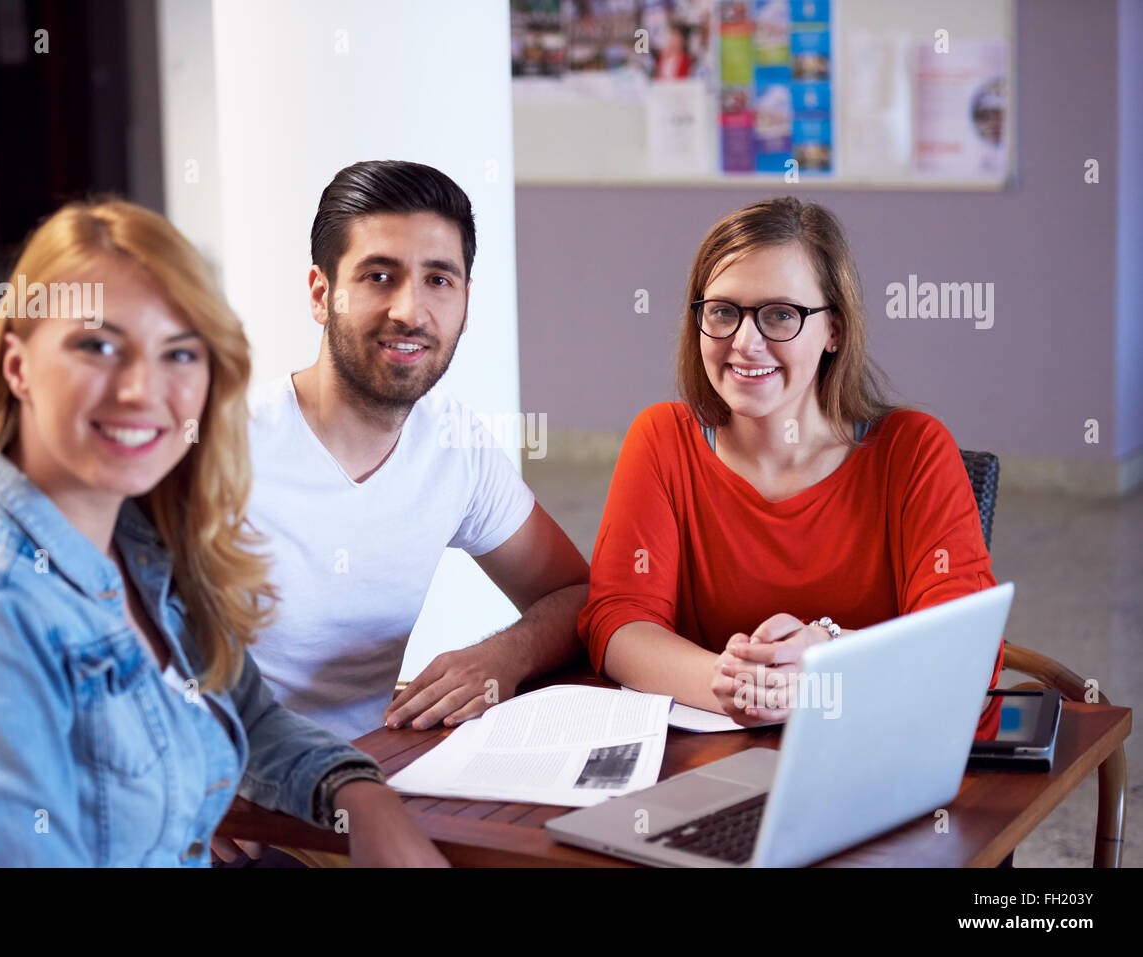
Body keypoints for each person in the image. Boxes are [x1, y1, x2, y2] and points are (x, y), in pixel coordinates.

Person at [0, 198, 447, 866]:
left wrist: (357, 792)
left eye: (179, 353)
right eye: (97, 345)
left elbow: (247, 711)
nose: (140, 390)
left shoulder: (140, 535)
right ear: (18, 366)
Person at [577, 197, 1004, 728]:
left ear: (835, 331)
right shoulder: (662, 440)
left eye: (781, 314)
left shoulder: (913, 450)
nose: (745, 342)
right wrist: (736, 687)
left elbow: (965, 648)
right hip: (708, 760)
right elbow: (620, 623)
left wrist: (826, 655)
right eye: (723, 311)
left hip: (873, 751)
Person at [246, 160, 590, 741]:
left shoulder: (456, 446)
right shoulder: (219, 447)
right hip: (218, 805)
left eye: (438, 279)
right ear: (321, 293)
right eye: (379, 276)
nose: (410, 310)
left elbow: (578, 596)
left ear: (465, 299)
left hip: (363, 784)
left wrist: (504, 657)